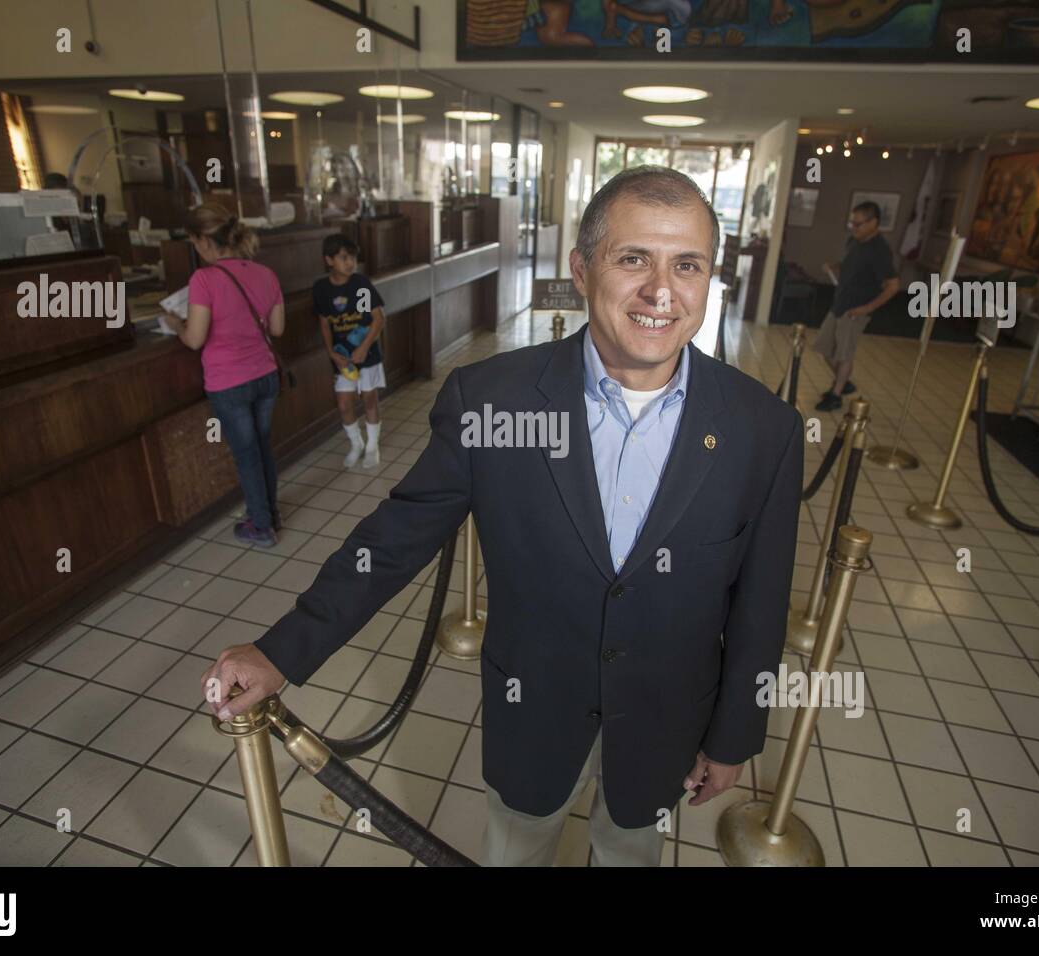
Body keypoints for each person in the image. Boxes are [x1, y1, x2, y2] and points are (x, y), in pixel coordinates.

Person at [201, 165, 803, 866]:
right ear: (581, 269)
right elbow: (396, 539)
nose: (660, 291)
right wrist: (282, 650)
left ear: (709, 279)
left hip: (667, 725)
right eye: (632, 257)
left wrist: (733, 738)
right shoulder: (492, 402)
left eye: (687, 265)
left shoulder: (763, 429)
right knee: (517, 849)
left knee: (631, 848)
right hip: (536, 715)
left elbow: (761, 605)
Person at [163, 202, 285, 548]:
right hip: (266, 376)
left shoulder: (203, 279)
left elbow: (195, 339)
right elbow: (277, 328)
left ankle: (261, 525)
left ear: (203, 240)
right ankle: (270, 513)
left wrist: (177, 325)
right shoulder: (266, 274)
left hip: (229, 383)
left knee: (246, 454)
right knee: (262, 447)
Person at [813, 201, 901, 411]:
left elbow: (893, 286)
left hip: (855, 311)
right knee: (824, 348)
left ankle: (836, 395)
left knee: (844, 354)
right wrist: (834, 267)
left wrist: (866, 309)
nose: (854, 228)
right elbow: (850, 267)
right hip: (839, 304)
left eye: (859, 224)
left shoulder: (880, 251)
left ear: (874, 223)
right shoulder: (854, 241)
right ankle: (843, 383)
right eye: (852, 223)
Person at [314, 234, 386, 469]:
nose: (350, 262)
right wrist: (331, 353)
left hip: (367, 355)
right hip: (342, 358)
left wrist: (364, 347)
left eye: (353, 257)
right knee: (344, 404)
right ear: (329, 260)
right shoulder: (322, 289)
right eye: (343, 257)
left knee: (369, 400)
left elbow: (376, 319)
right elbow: (325, 323)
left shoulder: (360, 285)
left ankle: (373, 446)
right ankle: (357, 444)